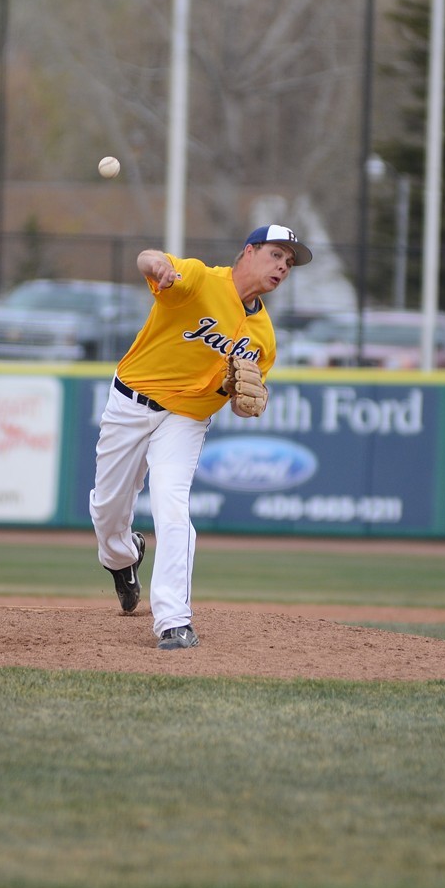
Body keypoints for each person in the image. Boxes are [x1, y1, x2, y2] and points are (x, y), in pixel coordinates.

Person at [90, 224, 311, 650]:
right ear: (249, 251)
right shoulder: (198, 281)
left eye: (289, 262)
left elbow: (238, 396)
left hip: (187, 420)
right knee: (107, 508)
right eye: (276, 255)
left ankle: (173, 621)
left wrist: (233, 392)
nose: (283, 266)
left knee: (172, 506)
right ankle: (123, 556)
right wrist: (157, 266)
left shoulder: (263, 338)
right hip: (131, 403)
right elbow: (149, 260)